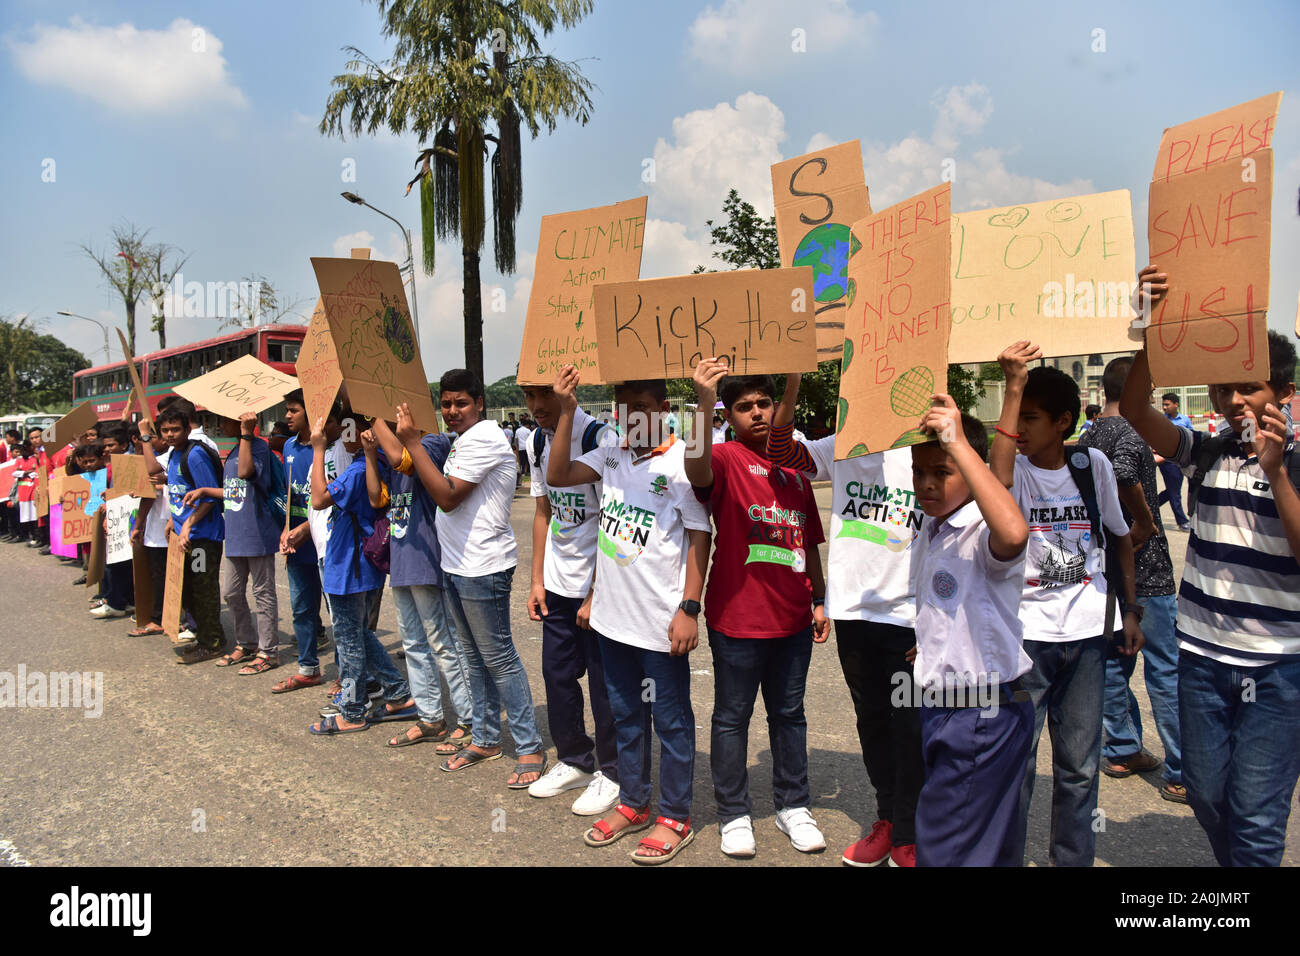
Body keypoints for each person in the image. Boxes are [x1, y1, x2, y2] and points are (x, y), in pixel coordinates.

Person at [1121, 267, 1300, 866]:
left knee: (1255, 814)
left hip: (1278, 668)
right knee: (1202, 790)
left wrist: (1276, 472)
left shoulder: (1295, 465)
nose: (1232, 401)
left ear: (1283, 392)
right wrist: (1151, 326)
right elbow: (1134, 407)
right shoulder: (1208, 449)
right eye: (1222, 389)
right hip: (1201, 656)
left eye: (1247, 387)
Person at [547, 367, 711, 865]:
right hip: (611, 622)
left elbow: (700, 535)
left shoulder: (684, 460)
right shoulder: (612, 451)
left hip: (660, 625)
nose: (630, 415)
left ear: (662, 409)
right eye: (622, 406)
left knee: (672, 723)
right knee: (625, 717)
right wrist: (567, 411)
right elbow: (557, 477)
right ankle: (634, 804)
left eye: (640, 405)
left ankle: (675, 815)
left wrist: (689, 607)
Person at [991, 340, 1144, 867]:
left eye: (1031, 418)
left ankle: (1071, 859)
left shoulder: (1091, 464)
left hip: (1085, 636)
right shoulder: (1014, 472)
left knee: (1079, 767)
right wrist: (1013, 386)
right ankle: (1005, 856)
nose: (1021, 428)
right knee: (1015, 762)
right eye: (1019, 418)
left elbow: (1121, 536)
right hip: (1025, 638)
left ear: (1063, 423)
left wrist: (1128, 613)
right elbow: (1000, 470)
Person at [766, 372, 925, 867]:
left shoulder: (924, 449)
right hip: (854, 612)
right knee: (872, 719)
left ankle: (912, 830)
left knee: (912, 725)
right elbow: (779, 450)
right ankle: (886, 819)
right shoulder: (843, 446)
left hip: (909, 616)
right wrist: (793, 379)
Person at [685, 361, 830, 858]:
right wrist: (703, 403)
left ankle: (794, 807)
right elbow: (695, 468)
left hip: (792, 621)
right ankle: (734, 813)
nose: (757, 413)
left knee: (789, 715)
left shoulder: (794, 469)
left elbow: (808, 540)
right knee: (731, 717)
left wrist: (819, 599)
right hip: (737, 621)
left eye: (763, 403)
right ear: (730, 414)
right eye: (743, 406)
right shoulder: (723, 458)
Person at [397, 369, 545, 787]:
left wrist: (411, 441)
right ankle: (484, 738)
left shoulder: (484, 437)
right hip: (457, 564)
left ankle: (529, 746)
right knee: (471, 657)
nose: (452, 411)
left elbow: (445, 497)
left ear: (479, 403)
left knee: (498, 658)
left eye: (461, 403)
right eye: (445, 403)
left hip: (484, 567)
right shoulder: (461, 441)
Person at [910, 395, 1034, 866]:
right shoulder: (935, 525)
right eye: (918, 472)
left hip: (980, 715)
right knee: (987, 849)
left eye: (941, 472)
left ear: (969, 465)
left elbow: (1015, 534)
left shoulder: (982, 526)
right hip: (948, 708)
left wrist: (958, 442)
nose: (926, 484)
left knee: (947, 848)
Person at [1079, 357, 1184, 803]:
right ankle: (1182, 770)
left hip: (1104, 575)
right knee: (1166, 672)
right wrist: (1142, 522)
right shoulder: (1129, 432)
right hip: (1147, 575)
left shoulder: (1087, 435)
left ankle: (1122, 750)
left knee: (1113, 668)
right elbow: (1123, 475)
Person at [520, 379, 620, 815]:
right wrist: (536, 579)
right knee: (557, 677)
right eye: (529, 396)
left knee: (604, 686)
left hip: (597, 589)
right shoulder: (537, 441)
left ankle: (612, 772)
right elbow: (544, 511)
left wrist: (597, 590)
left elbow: (612, 521)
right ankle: (574, 759)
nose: (537, 405)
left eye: (546, 395)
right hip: (558, 586)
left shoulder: (602, 438)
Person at [366, 415, 474, 750]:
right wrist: (371, 455)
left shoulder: (432, 442)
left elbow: (402, 459)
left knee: (443, 642)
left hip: (426, 560)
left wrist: (373, 414)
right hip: (401, 559)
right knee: (413, 643)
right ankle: (431, 718)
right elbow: (376, 499)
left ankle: (470, 719)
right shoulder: (392, 449)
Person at [307, 410, 413, 734]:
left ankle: (352, 710)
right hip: (360, 564)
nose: (340, 433)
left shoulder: (358, 470)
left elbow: (319, 498)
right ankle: (397, 691)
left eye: (345, 428)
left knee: (348, 639)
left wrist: (318, 449)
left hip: (347, 564)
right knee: (360, 634)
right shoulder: (377, 461)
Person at [186, 411, 282, 674]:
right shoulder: (234, 449)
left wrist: (247, 435)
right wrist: (206, 491)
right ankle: (247, 642)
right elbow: (233, 489)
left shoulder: (256, 447)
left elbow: (245, 473)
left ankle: (268, 651)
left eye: (224, 419)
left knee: (263, 594)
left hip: (257, 532)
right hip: (236, 533)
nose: (219, 425)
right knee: (231, 592)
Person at [138, 404, 228, 665]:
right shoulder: (175, 454)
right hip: (184, 536)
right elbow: (174, 485)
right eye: (165, 430)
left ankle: (212, 643)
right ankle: (203, 637)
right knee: (188, 590)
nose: (169, 434)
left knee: (203, 589)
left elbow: (209, 496)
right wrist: (172, 523)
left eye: (175, 429)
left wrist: (188, 524)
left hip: (202, 538)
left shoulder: (194, 454)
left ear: (187, 429)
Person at [271, 390, 329, 692]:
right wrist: (286, 529)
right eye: (287, 410)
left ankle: (350, 675)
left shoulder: (328, 448)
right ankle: (308, 668)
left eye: (293, 410)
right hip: (297, 544)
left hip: (326, 543)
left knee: (337, 612)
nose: (287, 416)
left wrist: (307, 527)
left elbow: (333, 498)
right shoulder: (290, 447)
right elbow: (287, 495)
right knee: (302, 607)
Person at [1155, 392, 1193, 531]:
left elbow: (1191, 436)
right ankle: (1182, 521)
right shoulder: (1160, 420)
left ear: (1176, 404)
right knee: (1175, 493)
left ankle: (1150, 507)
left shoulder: (1185, 420)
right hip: (1167, 461)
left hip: (1182, 461)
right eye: (1163, 405)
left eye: (1167, 404)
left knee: (1173, 490)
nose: (1164, 407)